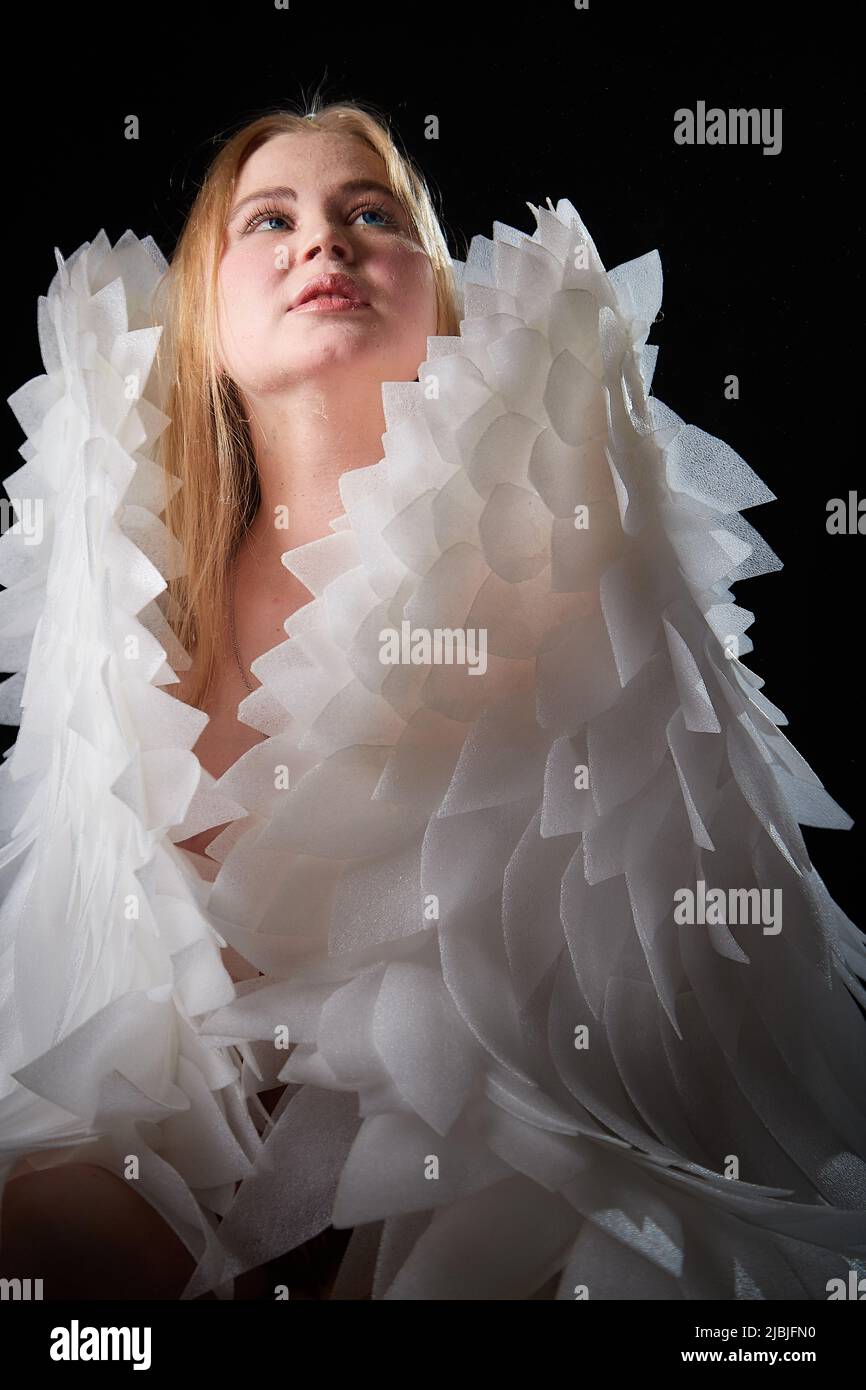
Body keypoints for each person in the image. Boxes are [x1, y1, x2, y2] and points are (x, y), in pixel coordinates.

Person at [1, 98, 864, 1301]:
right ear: (200, 314)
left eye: (371, 213)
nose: (324, 242)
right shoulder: (129, 626)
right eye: (271, 218)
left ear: (440, 297)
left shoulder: (564, 550)